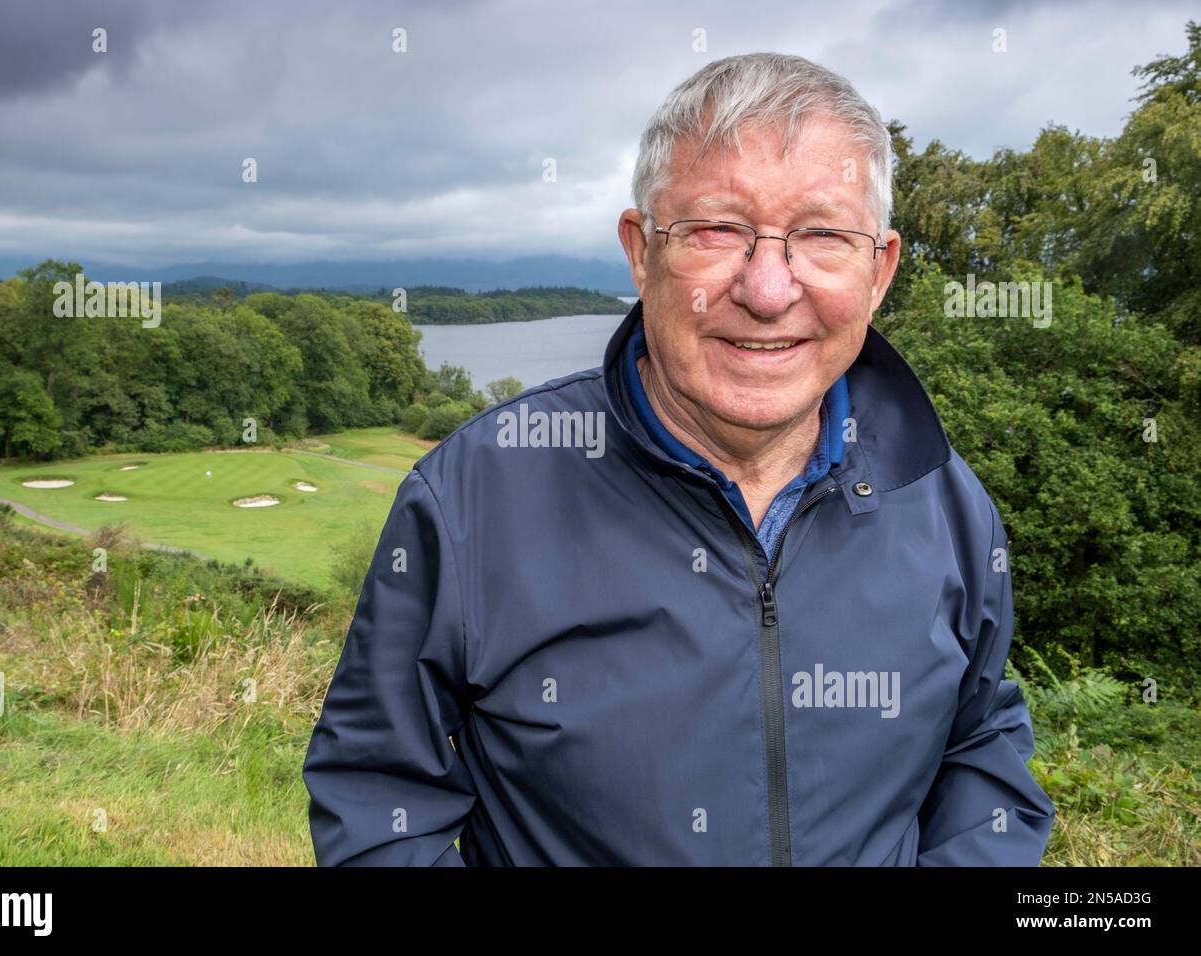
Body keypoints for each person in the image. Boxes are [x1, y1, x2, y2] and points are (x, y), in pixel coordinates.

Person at [303, 52, 1056, 866]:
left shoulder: (940, 495)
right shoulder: (473, 498)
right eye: (717, 229)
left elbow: (980, 738)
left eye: (824, 235)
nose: (768, 290)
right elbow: (378, 807)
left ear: (879, 271)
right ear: (640, 250)